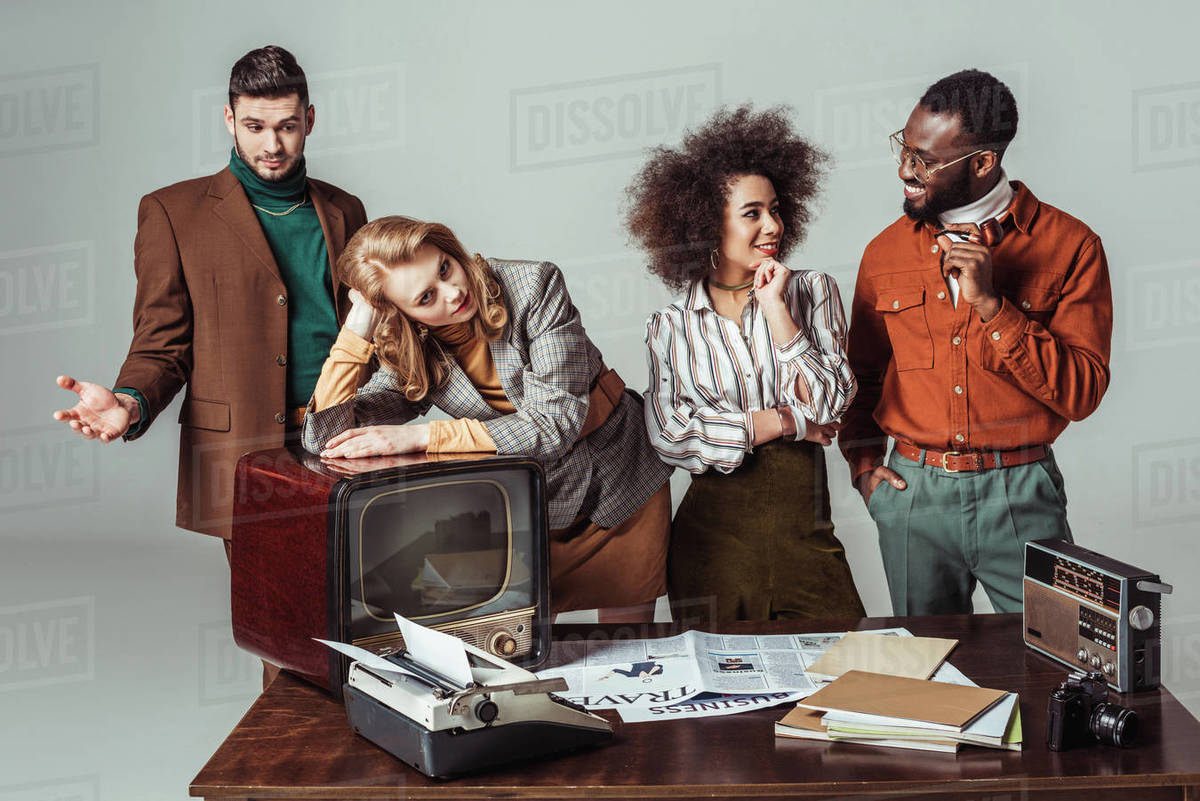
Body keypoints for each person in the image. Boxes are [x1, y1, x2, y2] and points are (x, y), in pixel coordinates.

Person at [50, 45, 367, 543]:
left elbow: (365, 328)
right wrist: (130, 403)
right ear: (229, 118)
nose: (273, 144)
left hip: (341, 436)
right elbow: (162, 342)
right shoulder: (174, 212)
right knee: (272, 610)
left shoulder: (345, 210)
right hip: (242, 443)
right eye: (255, 126)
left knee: (353, 597)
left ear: (309, 120)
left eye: (287, 125)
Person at [301, 216, 673, 623]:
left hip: (619, 480)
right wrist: (356, 332)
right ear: (402, 315)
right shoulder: (413, 344)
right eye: (426, 298)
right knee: (524, 651)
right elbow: (326, 437)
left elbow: (555, 424)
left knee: (629, 651)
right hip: (528, 504)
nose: (454, 291)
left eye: (444, 267)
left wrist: (424, 438)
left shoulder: (534, 286)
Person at [839, 69, 1112, 615]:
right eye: (905, 148)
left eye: (925, 160)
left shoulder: (1072, 246)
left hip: (1021, 492)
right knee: (928, 672)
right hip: (912, 493)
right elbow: (862, 376)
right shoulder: (884, 253)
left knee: (1055, 666)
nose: (904, 170)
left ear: (983, 162)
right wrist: (865, 465)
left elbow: (1081, 393)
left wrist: (992, 306)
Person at [625, 105, 865, 622]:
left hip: (806, 537)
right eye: (752, 213)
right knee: (722, 693)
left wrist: (777, 309)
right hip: (711, 549)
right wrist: (786, 421)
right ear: (708, 223)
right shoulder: (671, 324)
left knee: (850, 673)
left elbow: (833, 400)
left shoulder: (811, 291)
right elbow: (670, 434)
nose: (772, 225)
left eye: (775, 209)